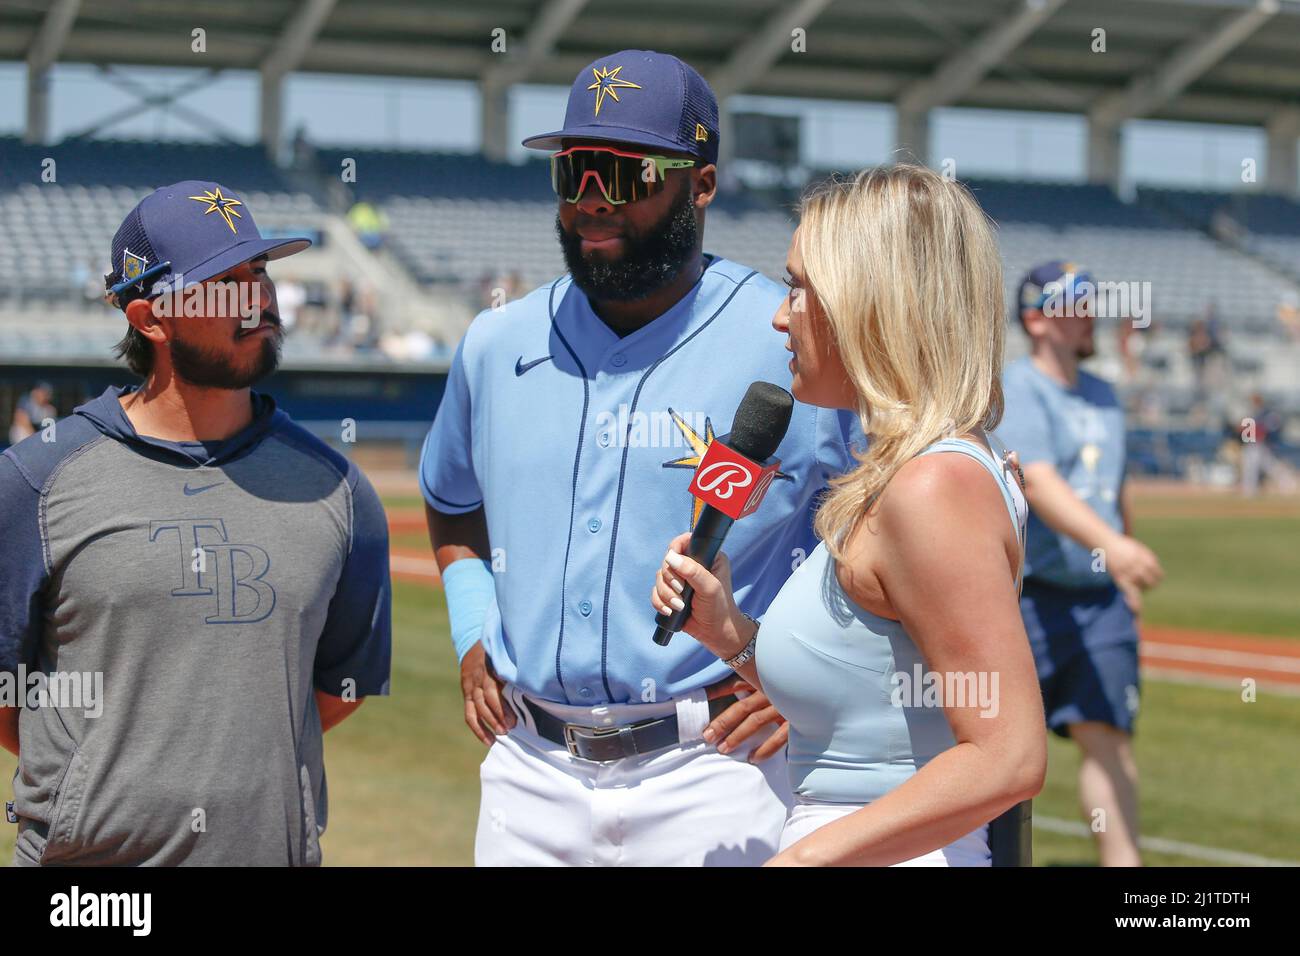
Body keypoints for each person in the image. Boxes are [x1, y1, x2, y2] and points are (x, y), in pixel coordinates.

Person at [421, 49, 862, 866]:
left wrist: (806, 670)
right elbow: (451, 500)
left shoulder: (792, 341)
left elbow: (886, 531)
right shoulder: (496, 343)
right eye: (575, 171)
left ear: (701, 183)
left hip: (719, 768)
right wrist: (470, 626)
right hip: (529, 771)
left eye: (624, 176)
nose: (592, 201)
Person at [649, 164, 1046, 866]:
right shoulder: (919, 468)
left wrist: (803, 859)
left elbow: (1008, 755)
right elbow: (874, 713)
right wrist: (731, 633)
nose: (779, 314)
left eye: (800, 288)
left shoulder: (931, 487)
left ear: (874, 300)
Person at [0, 181, 392, 866]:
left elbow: (336, 690)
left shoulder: (339, 488)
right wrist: (100, 776)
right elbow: (8, 700)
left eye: (261, 274)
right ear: (152, 318)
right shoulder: (34, 480)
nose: (261, 301)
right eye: (226, 283)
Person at [997, 260, 1164, 867]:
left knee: (1110, 741)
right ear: (1038, 318)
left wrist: (1119, 563)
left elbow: (1114, 491)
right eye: (1076, 305)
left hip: (1100, 602)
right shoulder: (1017, 387)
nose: (1091, 315)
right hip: (1028, 600)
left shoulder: (1105, 395)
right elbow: (1039, 483)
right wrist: (1115, 547)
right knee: (1003, 749)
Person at [8, 381, 55, 446]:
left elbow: (49, 429)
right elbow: (20, 418)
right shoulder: (27, 400)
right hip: (26, 436)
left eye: (47, 394)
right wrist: (34, 439)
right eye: (42, 392)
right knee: (19, 430)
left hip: (37, 436)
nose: (45, 396)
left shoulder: (49, 409)